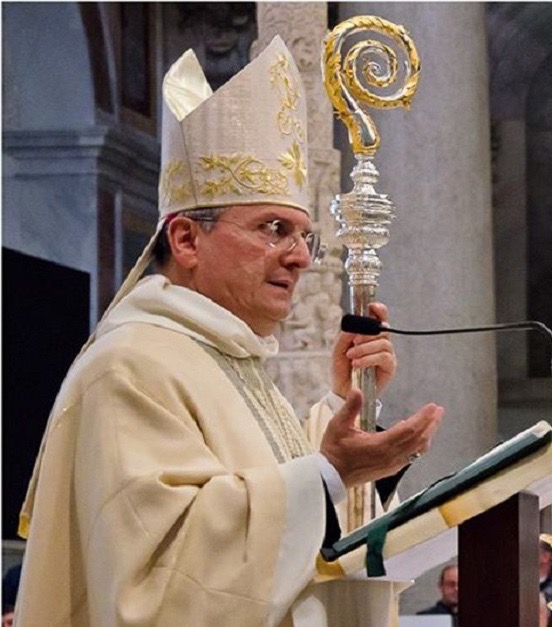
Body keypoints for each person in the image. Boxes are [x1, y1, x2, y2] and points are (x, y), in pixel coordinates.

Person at [13, 36, 444, 626]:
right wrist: (332, 472)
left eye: (305, 236)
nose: (301, 257)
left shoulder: (230, 361)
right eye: (273, 229)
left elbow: (301, 531)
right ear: (186, 239)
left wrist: (352, 412)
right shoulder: (131, 365)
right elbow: (164, 579)